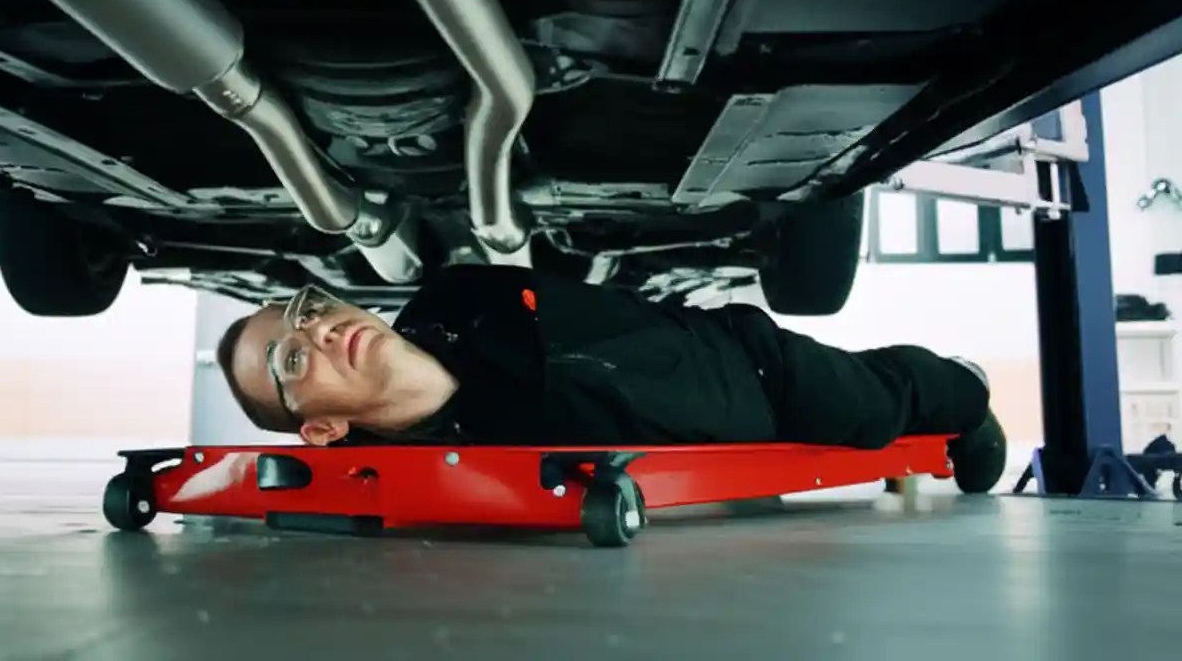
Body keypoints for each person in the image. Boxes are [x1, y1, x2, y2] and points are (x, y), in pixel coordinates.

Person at [217, 264, 1007, 493]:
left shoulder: (465, 299)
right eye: (294, 359)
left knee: (873, 403)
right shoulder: (418, 477)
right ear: (319, 428)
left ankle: (967, 392)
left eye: (306, 310)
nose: (319, 329)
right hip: (710, 423)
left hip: (755, 370)